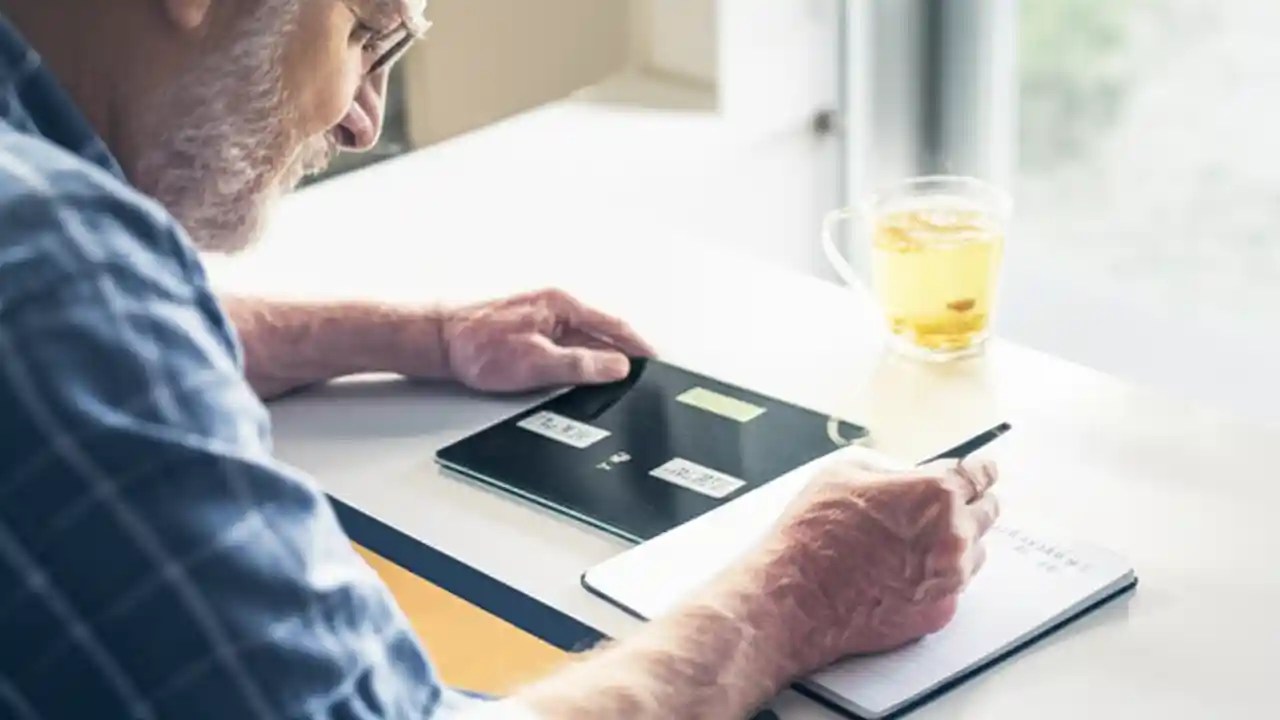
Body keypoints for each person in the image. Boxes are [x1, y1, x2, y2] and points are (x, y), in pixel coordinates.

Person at [0, 1, 1001, 718]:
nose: (362, 119)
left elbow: (86, 346)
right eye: (363, 35)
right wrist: (797, 593)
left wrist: (415, 335)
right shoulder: (60, 276)